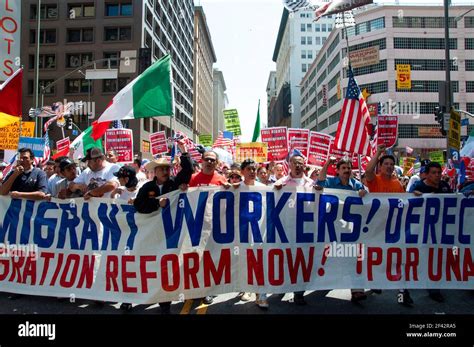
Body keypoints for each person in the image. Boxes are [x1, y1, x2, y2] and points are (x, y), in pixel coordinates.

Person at [133, 142, 192, 313]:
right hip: (153, 234)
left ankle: (165, 302)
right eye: (161, 169)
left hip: (172, 233)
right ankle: (153, 298)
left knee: (170, 266)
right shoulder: (147, 187)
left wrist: (184, 151)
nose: (165, 172)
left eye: (167, 169)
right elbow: (139, 205)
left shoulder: (174, 183)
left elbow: (188, 171)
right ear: (154, 172)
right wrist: (157, 203)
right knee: (156, 266)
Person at [365, 145, 413, 305]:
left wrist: (415, 196)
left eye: (392, 164)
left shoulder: (397, 185)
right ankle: (376, 283)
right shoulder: (374, 180)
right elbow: (368, 171)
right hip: (376, 229)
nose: (389, 166)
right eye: (386, 164)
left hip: (393, 229)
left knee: (397, 259)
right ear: (380, 166)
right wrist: (378, 152)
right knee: (377, 258)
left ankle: (402, 293)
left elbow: (405, 204)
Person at [317, 158, 368, 302]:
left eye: (349, 168)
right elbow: (320, 183)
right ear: (338, 170)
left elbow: (367, 195)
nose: (346, 170)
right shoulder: (331, 182)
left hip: (350, 229)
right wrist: (327, 163)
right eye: (343, 168)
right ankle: (322, 281)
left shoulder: (356, 184)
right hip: (331, 227)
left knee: (353, 257)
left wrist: (364, 192)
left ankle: (357, 290)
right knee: (328, 256)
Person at [275, 154, 320, 305]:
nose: (298, 165)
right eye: (295, 163)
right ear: (290, 165)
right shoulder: (281, 182)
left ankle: (299, 292)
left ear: (304, 165)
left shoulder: (311, 183)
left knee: (302, 260)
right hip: (287, 228)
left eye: (300, 163)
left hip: (305, 228)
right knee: (287, 259)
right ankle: (285, 284)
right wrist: (275, 189)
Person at [412, 162, 452, 303]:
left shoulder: (445, 186)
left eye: (438, 172)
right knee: (427, 257)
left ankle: (434, 284)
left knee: (439, 258)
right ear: (427, 174)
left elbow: (455, 201)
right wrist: (414, 195)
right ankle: (432, 287)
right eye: (433, 173)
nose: (437, 175)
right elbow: (407, 202)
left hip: (442, 228)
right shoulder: (419, 186)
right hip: (425, 229)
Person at [235, 159, 269, 309]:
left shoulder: (265, 188)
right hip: (241, 232)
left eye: (254, 169)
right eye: (249, 169)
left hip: (259, 232)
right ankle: (246, 288)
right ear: (242, 172)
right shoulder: (235, 188)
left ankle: (261, 295)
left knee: (260, 262)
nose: (252, 171)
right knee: (244, 261)